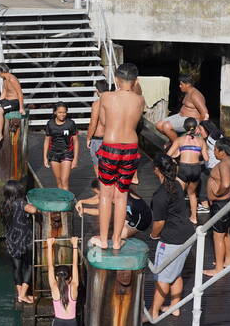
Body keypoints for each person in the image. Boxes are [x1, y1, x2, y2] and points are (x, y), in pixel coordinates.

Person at [86, 62, 145, 251]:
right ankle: (117, 240)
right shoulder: (140, 100)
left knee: (106, 194)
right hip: (131, 148)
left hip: (111, 145)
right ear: (135, 80)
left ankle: (104, 240)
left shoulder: (106, 97)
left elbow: (103, 121)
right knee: (122, 196)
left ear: (116, 79)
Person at [149, 154, 194, 320]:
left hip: (172, 239)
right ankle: (175, 307)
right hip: (187, 234)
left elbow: (159, 222)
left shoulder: (160, 195)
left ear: (156, 170)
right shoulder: (176, 184)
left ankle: (153, 313)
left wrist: (153, 236)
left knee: (162, 278)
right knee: (176, 273)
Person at [204, 137, 230, 277]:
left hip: (221, 204)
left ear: (222, 151)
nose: (213, 152)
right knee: (225, 232)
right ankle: (228, 260)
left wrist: (216, 194)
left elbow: (225, 184)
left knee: (217, 235)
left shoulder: (224, 164)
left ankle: (218, 269)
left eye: (215, 149)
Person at [0, 179, 38, 305]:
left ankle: (20, 294)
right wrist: (33, 204)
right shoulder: (20, 203)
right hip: (25, 240)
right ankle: (23, 295)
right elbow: (33, 210)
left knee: (16, 268)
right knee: (29, 265)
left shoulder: (5, 204)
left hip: (11, 240)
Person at [46, 236, 79, 326]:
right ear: (70, 278)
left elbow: (50, 266)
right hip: (72, 323)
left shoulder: (54, 287)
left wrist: (49, 246)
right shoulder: (74, 286)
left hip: (59, 323)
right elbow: (75, 266)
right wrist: (75, 245)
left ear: (57, 278)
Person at [166, 117, 207, 224]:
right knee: (192, 193)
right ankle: (194, 218)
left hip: (184, 168)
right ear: (196, 128)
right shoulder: (201, 141)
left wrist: (178, 155)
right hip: (196, 169)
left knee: (179, 192)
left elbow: (168, 155)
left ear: (184, 128)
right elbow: (206, 158)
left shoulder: (180, 140)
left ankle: (178, 215)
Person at [77, 182, 151, 237]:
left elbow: (101, 211)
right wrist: (82, 201)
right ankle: (129, 233)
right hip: (134, 215)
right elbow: (97, 199)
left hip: (142, 220)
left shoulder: (116, 197)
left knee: (115, 237)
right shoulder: (114, 190)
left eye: (97, 193)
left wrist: (84, 210)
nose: (97, 195)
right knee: (112, 229)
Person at [159, 76, 209, 144]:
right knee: (159, 125)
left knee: (166, 126)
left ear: (188, 84)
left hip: (192, 121)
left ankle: (177, 146)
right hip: (181, 116)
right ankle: (174, 140)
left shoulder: (195, 95)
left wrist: (200, 126)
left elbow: (205, 113)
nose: (179, 86)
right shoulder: (187, 92)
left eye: (181, 84)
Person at [43, 102, 79, 190]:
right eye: (60, 112)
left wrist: (75, 159)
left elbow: (76, 141)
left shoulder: (70, 123)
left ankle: (67, 202)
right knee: (58, 181)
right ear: (55, 112)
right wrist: (45, 157)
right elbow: (47, 140)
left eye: (64, 112)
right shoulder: (50, 124)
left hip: (67, 153)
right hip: (54, 154)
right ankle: (61, 201)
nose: (62, 114)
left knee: (64, 181)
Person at [196, 118, 221, 214]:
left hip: (213, 168)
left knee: (202, 175)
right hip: (216, 166)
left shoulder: (210, 141)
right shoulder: (218, 136)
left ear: (207, 130)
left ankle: (204, 204)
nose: (199, 131)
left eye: (200, 129)